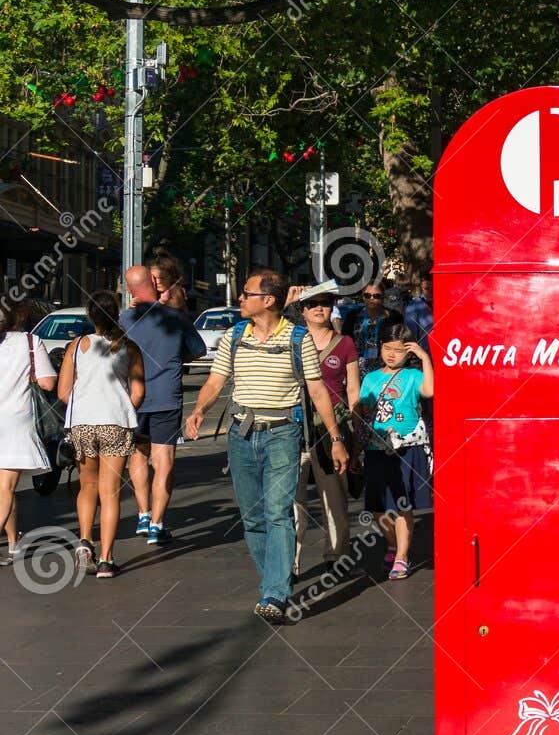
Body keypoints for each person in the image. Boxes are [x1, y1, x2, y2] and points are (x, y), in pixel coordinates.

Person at [184, 270, 349, 622]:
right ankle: (275, 577)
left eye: (246, 293)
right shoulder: (233, 336)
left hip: (282, 433)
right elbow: (216, 379)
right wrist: (199, 409)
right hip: (241, 433)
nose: (240, 299)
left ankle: (275, 593)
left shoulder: (297, 338)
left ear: (268, 300)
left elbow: (317, 390)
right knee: (253, 517)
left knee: (278, 513)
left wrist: (335, 438)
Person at [57, 291, 145, 577]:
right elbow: (139, 391)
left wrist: (85, 403)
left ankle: (84, 543)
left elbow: (63, 392)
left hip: (83, 423)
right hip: (115, 424)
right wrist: (121, 408)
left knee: (88, 487)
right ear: (116, 314)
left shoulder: (76, 346)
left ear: (90, 316)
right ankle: (106, 560)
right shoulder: (129, 347)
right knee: (110, 493)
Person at [120, 265, 205, 545]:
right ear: (153, 284)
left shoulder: (123, 319)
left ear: (130, 289)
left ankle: (143, 514)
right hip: (166, 397)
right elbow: (199, 349)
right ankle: (157, 524)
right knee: (164, 462)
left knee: (138, 456)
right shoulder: (175, 319)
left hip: (132, 398)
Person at [288, 289, 359, 574]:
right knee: (291, 502)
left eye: (326, 304)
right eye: (312, 304)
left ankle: (337, 555)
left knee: (334, 496)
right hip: (293, 427)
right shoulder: (292, 340)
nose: (320, 308)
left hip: (331, 430)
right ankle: (289, 562)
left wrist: (355, 433)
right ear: (301, 310)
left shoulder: (344, 344)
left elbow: (352, 389)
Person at [357, 322, 433, 580]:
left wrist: (424, 358)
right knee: (377, 507)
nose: (391, 354)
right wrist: (355, 446)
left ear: (408, 352)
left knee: (403, 505)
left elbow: (431, 391)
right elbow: (362, 412)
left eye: (399, 350)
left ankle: (401, 556)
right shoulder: (370, 378)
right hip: (376, 447)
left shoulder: (413, 376)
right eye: (387, 348)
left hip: (406, 447)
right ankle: (392, 543)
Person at [0, 297, 58, 565]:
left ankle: (13, 543)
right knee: (6, 487)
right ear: (18, 316)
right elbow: (48, 384)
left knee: (4, 490)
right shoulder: (30, 343)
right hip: (16, 422)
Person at [353, 281, 390, 378]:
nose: (371, 299)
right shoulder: (352, 316)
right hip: (357, 369)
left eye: (376, 296)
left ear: (382, 298)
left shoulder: (392, 317)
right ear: (362, 297)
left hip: (384, 369)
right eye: (367, 295)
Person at [403, 274, 434, 351]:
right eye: (427, 289)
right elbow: (410, 335)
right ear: (421, 286)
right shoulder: (413, 306)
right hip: (424, 353)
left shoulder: (444, 302)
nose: (430, 292)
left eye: (433, 288)